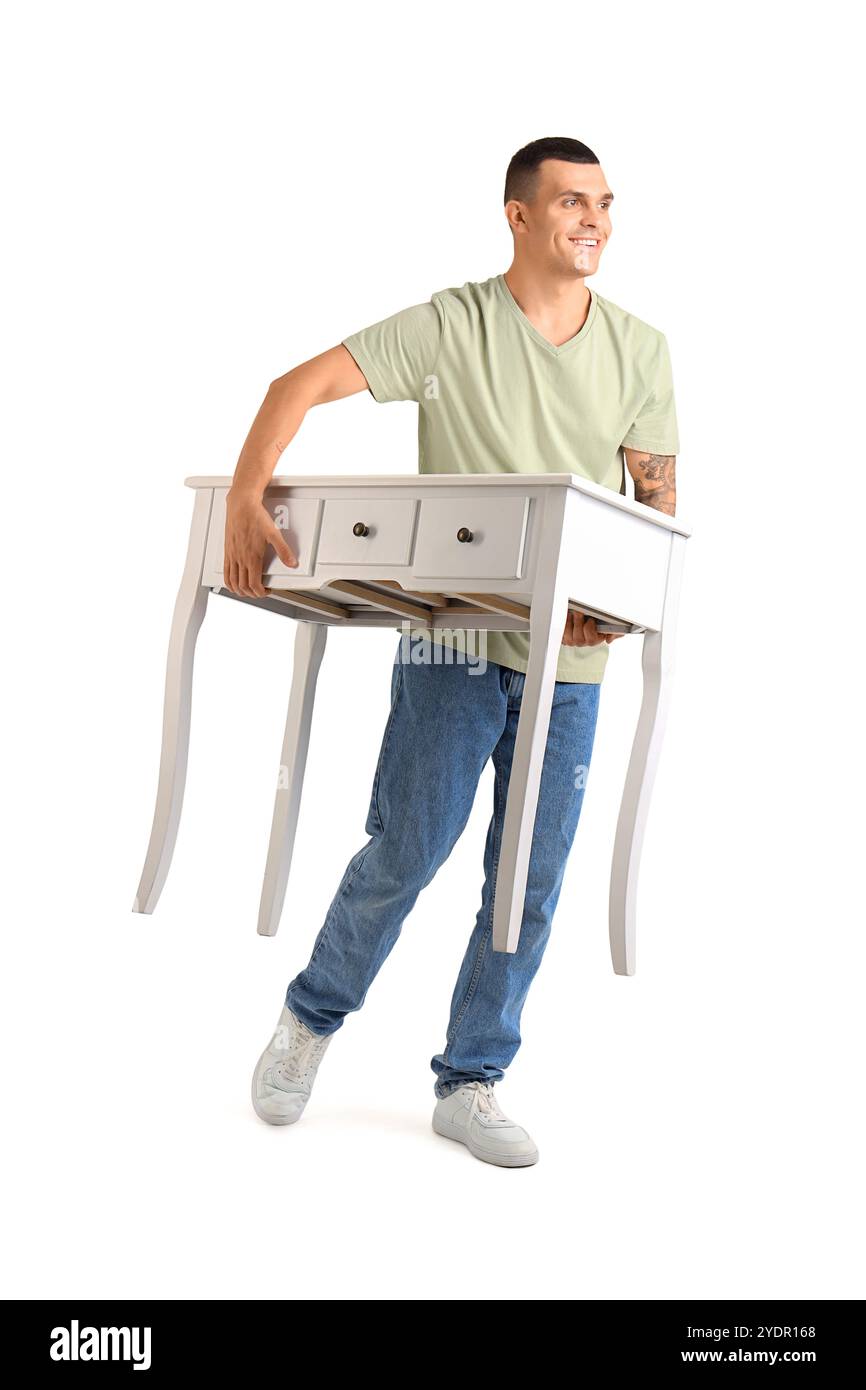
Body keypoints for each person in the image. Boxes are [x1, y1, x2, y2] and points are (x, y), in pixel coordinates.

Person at [224, 136, 680, 1167]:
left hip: (569, 666)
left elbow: (656, 510)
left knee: (528, 883)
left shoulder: (640, 349)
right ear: (517, 216)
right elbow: (296, 384)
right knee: (402, 851)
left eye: (604, 203)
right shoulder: (452, 324)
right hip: (453, 644)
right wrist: (248, 496)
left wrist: (605, 615)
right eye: (570, 202)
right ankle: (308, 1020)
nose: (593, 220)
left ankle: (470, 1079)